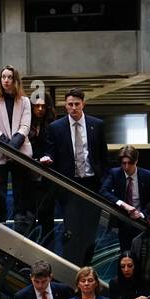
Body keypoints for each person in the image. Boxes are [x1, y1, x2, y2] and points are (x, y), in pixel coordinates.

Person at [42, 88, 108, 267]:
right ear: (65, 105)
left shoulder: (97, 124)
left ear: (83, 104)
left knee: (90, 229)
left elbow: (103, 156)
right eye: (70, 104)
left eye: (77, 104)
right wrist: (47, 158)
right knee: (72, 228)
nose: (73, 108)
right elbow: (50, 152)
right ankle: (73, 267)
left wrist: (104, 182)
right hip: (69, 185)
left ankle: (87, 265)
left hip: (92, 183)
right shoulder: (56, 127)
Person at [0, 65, 33, 229]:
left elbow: (25, 127)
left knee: (22, 191)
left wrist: (13, 149)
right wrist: (8, 149)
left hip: (21, 152)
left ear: (15, 80)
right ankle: (1, 223)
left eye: (10, 77)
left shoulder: (25, 101)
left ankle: (21, 225)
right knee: (0, 192)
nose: (6, 80)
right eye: (3, 77)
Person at [102, 144, 150, 254]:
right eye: (124, 163)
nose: (127, 167)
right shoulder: (115, 173)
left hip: (142, 222)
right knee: (125, 255)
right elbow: (104, 191)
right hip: (122, 222)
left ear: (136, 161)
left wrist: (142, 214)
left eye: (130, 163)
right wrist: (123, 204)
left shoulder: (148, 176)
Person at [26, 97, 60, 245]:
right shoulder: (26, 124)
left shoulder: (53, 126)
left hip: (47, 176)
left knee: (47, 219)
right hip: (28, 175)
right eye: (36, 106)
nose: (40, 109)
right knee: (29, 220)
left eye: (43, 106)